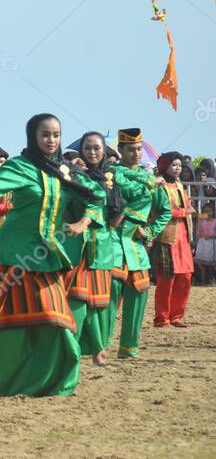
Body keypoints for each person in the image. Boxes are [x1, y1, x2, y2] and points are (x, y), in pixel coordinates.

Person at [0, 113, 103, 397]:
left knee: (57, 322)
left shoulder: (66, 172)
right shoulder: (21, 167)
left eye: (56, 135)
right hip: (16, 258)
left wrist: (82, 223)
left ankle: (46, 384)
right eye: (45, 134)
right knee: (14, 325)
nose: (51, 140)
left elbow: (96, 196)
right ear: (33, 138)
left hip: (49, 259)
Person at [75, 131, 146, 366]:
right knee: (75, 298)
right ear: (81, 150)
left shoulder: (112, 176)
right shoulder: (74, 174)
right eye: (88, 148)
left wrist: (122, 215)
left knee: (100, 299)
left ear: (104, 150)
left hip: (104, 243)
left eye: (97, 148)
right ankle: (72, 347)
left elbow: (142, 194)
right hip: (76, 241)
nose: (92, 153)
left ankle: (98, 350)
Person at [109, 128, 171, 359]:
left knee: (139, 292)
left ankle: (128, 348)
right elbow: (116, 191)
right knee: (110, 293)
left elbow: (165, 211)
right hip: (113, 240)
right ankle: (101, 345)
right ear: (121, 150)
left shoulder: (152, 180)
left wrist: (151, 231)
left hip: (136, 243)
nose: (136, 154)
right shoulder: (111, 173)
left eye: (138, 150)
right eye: (131, 150)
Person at [152, 151, 194, 328]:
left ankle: (176, 315)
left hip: (183, 238)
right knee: (166, 279)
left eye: (179, 165)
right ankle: (162, 318)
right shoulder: (159, 186)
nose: (177, 168)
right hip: (166, 237)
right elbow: (161, 210)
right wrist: (185, 211)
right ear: (165, 166)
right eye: (174, 165)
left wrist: (187, 210)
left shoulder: (180, 185)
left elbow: (188, 206)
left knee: (185, 277)